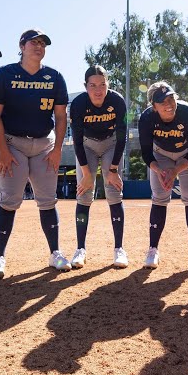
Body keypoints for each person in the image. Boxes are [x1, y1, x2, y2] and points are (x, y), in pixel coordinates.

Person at [0, 30, 70, 278]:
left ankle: (55, 252)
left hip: (45, 144)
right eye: (34, 42)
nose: (39, 46)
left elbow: (61, 116)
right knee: (10, 200)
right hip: (13, 144)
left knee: (47, 200)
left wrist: (57, 151)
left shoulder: (54, 76)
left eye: (43, 43)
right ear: (21, 45)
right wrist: (2, 151)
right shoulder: (5, 73)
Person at [138, 82, 188, 271]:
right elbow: (146, 152)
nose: (168, 104)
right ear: (154, 107)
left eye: (170, 98)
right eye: (162, 102)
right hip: (161, 154)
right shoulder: (146, 119)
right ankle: (152, 250)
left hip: (186, 154)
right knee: (159, 197)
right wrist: (159, 170)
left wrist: (176, 171)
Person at [68, 65, 128, 268]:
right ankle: (80, 249)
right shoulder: (77, 104)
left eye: (102, 84)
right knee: (84, 194)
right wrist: (86, 173)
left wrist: (112, 170)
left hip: (111, 143)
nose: (98, 90)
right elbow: (76, 139)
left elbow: (122, 136)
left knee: (114, 192)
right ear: (85, 86)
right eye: (93, 85)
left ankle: (119, 249)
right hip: (87, 145)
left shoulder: (117, 101)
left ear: (107, 85)